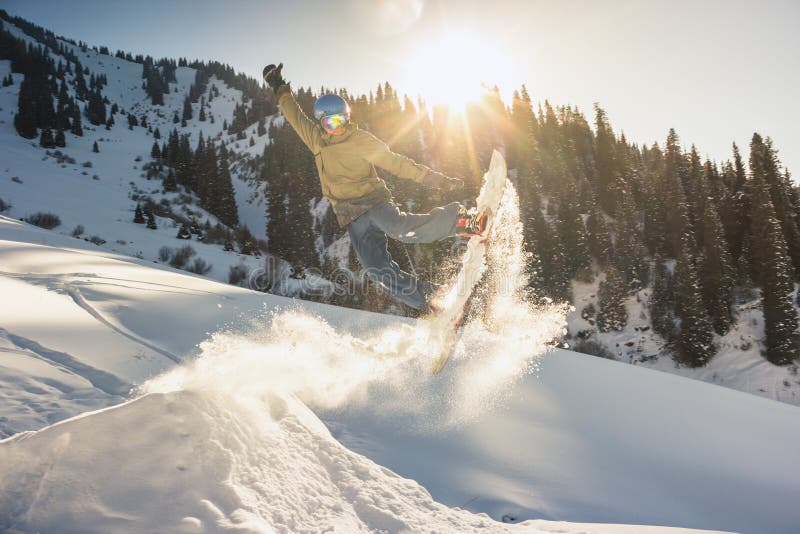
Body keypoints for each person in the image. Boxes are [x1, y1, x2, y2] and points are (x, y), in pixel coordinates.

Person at [263, 63, 487, 313]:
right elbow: (294, 116)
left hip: (373, 202)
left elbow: (397, 163)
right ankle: (431, 298)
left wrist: (435, 180)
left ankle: (462, 222)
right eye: (330, 123)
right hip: (351, 216)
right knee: (377, 271)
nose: (336, 127)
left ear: (347, 118)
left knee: (400, 229)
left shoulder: (361, 140)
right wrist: (279, 88)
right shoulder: (316, 141)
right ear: (321, 124)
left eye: (340, 120)